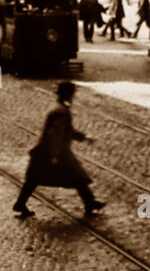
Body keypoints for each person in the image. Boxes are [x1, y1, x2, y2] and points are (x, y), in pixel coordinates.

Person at [13, 81, 105, 219]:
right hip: (55, 152)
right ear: (69, 95)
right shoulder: (61, 112)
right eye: (73, 94)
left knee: (35, 179)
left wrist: (84, 137)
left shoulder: (59, 108)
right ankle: (90, 203)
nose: (73, 97)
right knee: (77, 177)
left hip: (48, 150)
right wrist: (55, 156)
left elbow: (66, 131)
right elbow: (55, 134)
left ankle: (90, 203)